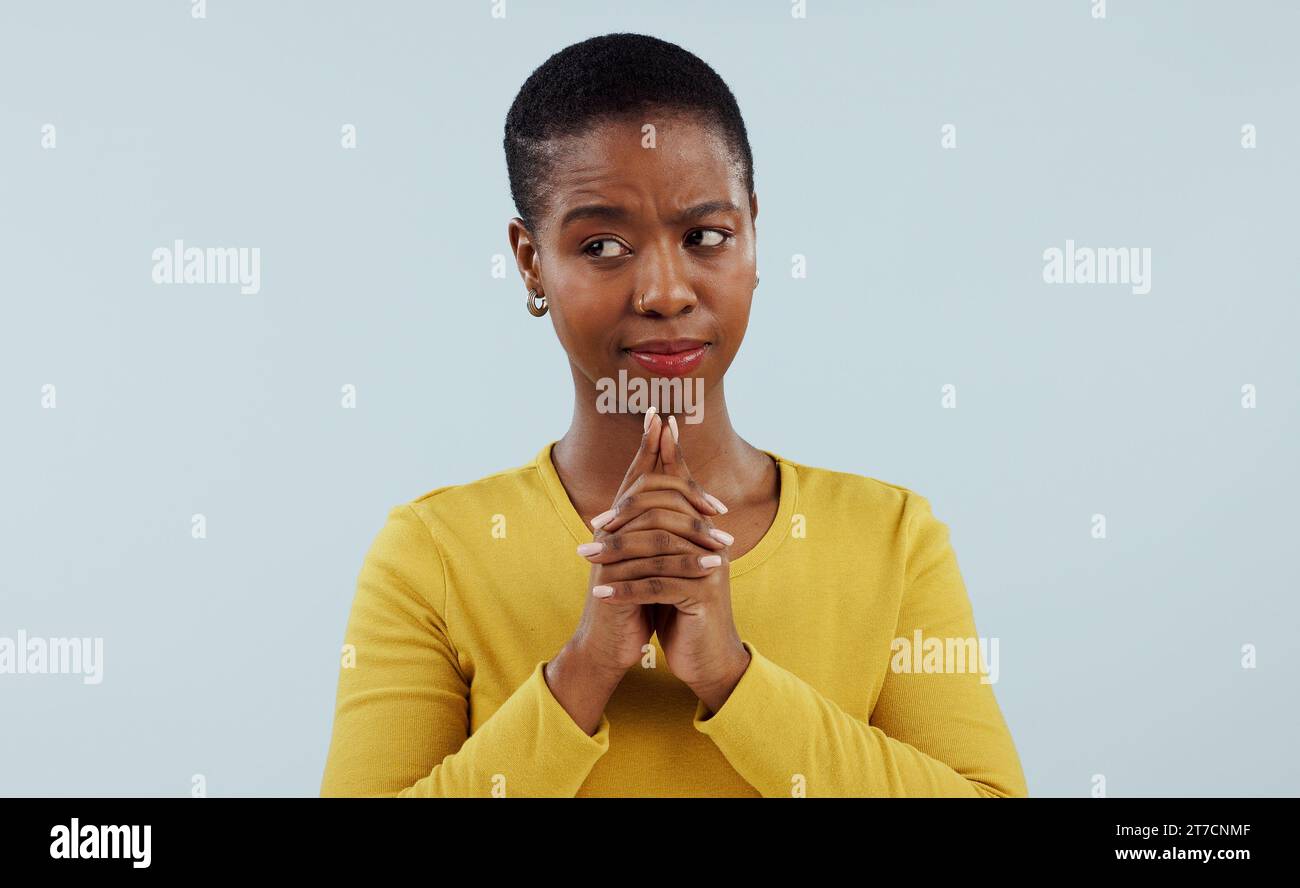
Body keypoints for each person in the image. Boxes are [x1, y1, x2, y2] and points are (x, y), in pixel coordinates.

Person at [319, 32, 1027, 797]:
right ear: (530, 261)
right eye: (603, 245)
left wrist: (731, 675)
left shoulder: (893, 540)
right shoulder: (431, 555)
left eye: (706, 237)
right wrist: (583, 671)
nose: (664, 291)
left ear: (754, 237)